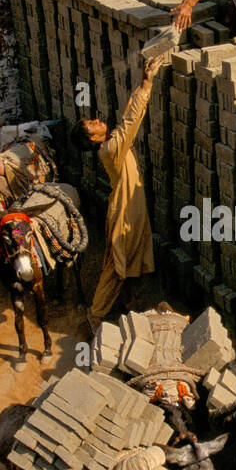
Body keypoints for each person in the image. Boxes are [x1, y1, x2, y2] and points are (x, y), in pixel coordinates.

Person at [75, 54, 166, 330]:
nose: (97, 120)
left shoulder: (112, 141)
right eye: (93, 123)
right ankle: (95, 315)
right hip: (124, 211)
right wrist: (147, 83)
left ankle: (128, 303)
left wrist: (142, 81)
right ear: (93, 138)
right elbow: (132, 119)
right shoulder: (111, 149)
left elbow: (125, 117)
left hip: (134, 207)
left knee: (134, 257)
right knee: (116, 267)